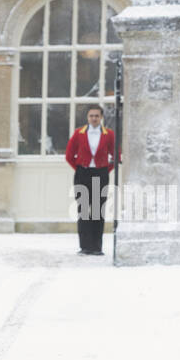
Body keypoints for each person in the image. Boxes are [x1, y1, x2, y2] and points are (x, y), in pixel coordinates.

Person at [64, 104, 116, 256]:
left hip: (101, 174)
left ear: (101, 117)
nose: (94, 118)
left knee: (98, 210)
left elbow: (115, 155)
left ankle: (97, 247)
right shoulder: (78, 133)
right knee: (84, 210)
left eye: (97, 116)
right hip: (83, 174)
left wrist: (105, 170)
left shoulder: (109, 134)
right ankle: (85, 246)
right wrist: (81, 168)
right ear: (87, 117)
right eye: (91, 116)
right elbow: (69, 155)